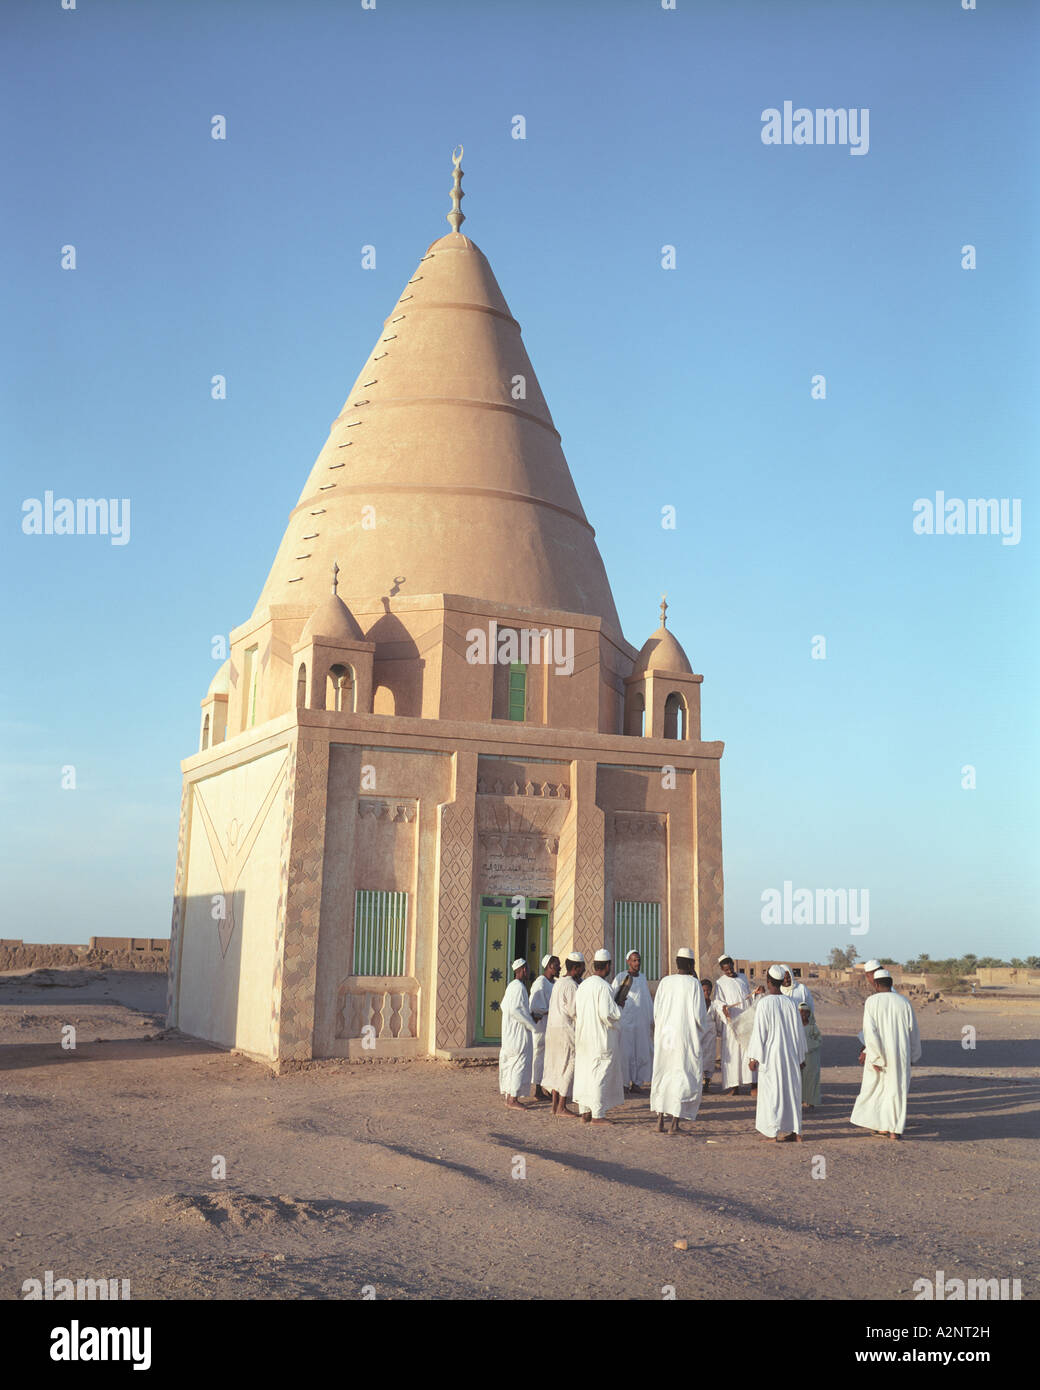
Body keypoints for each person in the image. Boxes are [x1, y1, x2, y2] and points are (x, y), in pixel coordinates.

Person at [850, 970, 922, 1140]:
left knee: (881, 1090)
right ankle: (893, 1129)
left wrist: (875, 1057)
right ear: (891, 983)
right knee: (897, 1090)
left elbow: (870, 1032)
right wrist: (913, 1055)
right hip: (901, 1054)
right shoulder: (904, 1002)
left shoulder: (872, 1002)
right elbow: (914, 1032)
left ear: (875, 984)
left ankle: (884, 1127)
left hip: (880, 1055)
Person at [650, 948, 709, 1134]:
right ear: (691, 965)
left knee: (664, 1074)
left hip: (666, 1038)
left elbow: (656, 1012)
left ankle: (659, 1121)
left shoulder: (665, 982)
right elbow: (700, 1017)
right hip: (685, 1039)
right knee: (682, 1076)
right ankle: (674, 1124)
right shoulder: (693, 984)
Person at [748, 964, 806, 1141]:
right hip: (789, 1055)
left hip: (771, 1057)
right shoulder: (790, 1003)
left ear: (768, 981)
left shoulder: (764, 1003)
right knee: (790, 1091)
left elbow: (759, 1032)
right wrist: (801, 1055)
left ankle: (772, 1133)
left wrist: (754, 1057)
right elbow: (799, 1032)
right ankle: (795, 1132)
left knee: (771, 1094)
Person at [573, 948, 625, 1126]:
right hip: (600, 1039)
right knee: (599, 1075)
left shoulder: (583, 986)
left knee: (586, 1073)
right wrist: (619, 1008)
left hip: (584, 1038)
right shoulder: (604, 987)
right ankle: (597, 1115)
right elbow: (607, 1014)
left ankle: (585, 1112)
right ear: (608, 966)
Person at [542, 952, 585, 1116]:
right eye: (582, 968)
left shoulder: (559, 983)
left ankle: (554, 1106)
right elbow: (574, 1010)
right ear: (576, 968)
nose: (583, 971)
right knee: (569, 1065)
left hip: (553, 1030)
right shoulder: (571, 986)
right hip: (565, 1031)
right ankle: (561, 1106)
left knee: (556, 1067)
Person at [612, 950, 654, 1093]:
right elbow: (614, 998)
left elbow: (647, 1000)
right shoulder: (621, 977)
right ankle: (624, 1084)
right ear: (628, 962)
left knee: (640, 1052)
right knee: (625, 1053)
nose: (637, 963)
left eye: (638, 960)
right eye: (634, 960)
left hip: (640, 1023)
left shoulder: (642, 978)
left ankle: (637, 1083)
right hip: (625, 1022)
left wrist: (651, 1018)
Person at [498, 959, 536, 1110]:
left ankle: (509, 1096)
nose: (528, 972)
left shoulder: (511, 986)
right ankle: (513, 1099)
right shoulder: (519, 987)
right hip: (518, 1034)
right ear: (523, 970)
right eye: (527, 969)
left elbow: (504, 1006)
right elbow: (515, 1010)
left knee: (511, 1065)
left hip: (510, 1033)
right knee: (519, 1064)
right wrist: (530, 1024)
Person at [713, 954, 753, 1094]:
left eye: (730, 968)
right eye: (726, 970)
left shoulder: (743, 977)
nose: (729, 971)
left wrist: (756, 993)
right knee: (733, 1053)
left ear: (733, 965)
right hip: (731, 1023)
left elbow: (749, 995)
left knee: (748, 1051)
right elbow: (717, 1001)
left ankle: (752, 1084)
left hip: (746, 1020)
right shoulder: (720, 983)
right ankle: (734, 1086)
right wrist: (723, 1007)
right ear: (722, 970)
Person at [529, 954, 560, 1100]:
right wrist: (551, 1011)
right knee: (539, 1058)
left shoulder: (554, 983)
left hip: (551, 1027)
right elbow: (535, 1006)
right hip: (541, 1027)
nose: (559, 968)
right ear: (549, 966)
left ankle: (546, 1087)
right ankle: (538, 1089)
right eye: (557, 965)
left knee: (549, 1058)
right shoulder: (540, 983)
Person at [701, 977, 723, 1090]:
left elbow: (718, 1020)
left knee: (709, 1059)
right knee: (699, 1058)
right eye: (704, 990)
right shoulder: (697, 1005)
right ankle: (699, 1080)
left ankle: (707, 1081)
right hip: (700, 1035)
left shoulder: (714, 1005)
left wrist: (719, 1032)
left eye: (708, 990)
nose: (706, 993)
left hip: (710, 1035)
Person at [799, 1002, 822, 1109]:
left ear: (809, 1014)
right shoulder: (795, 1027)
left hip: (811, 1058)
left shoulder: (813, 1027)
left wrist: (809, 1045)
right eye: (801, 1011)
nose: (803, 1014)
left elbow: (819, 1040)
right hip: (799, 1057)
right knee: (799, 1078)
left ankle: (811, 1100)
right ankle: (800, 1099)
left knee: (811, 1079)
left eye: (806, 1012)